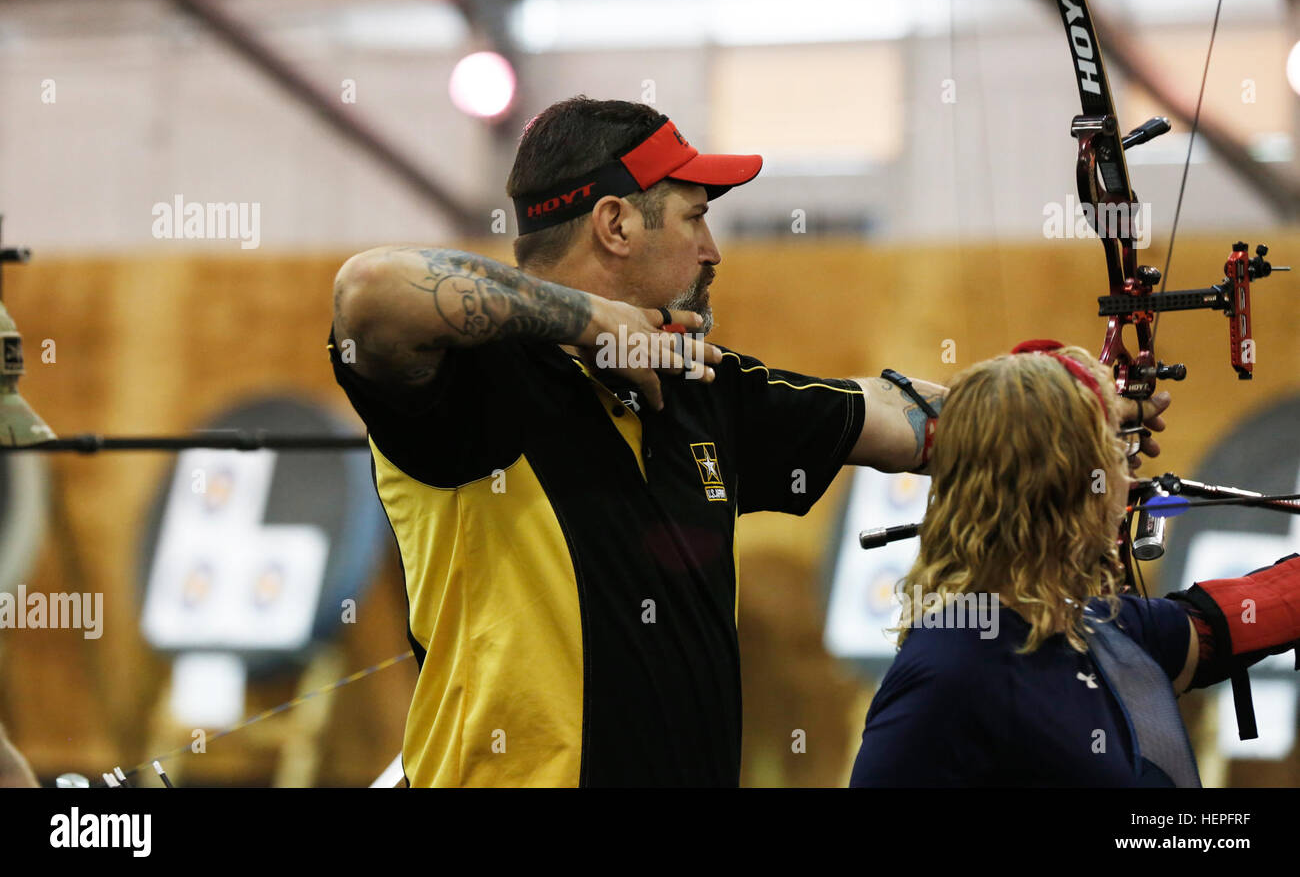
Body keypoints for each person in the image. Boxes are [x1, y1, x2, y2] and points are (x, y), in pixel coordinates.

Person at [327, 96, 948, 786]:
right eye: (695, 216)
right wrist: (595, 322)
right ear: (615, 224)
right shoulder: (480, 383)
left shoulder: (703, 386)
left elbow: (895, 411)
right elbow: (370, 290)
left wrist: (1052, 405)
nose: (712, 251)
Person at [849, 341, 1300, 787]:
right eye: (1112, 457)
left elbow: (1251, 613)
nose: (1129, 481)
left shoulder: (1107, 632)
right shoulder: (949, 670)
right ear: (1065, 485)